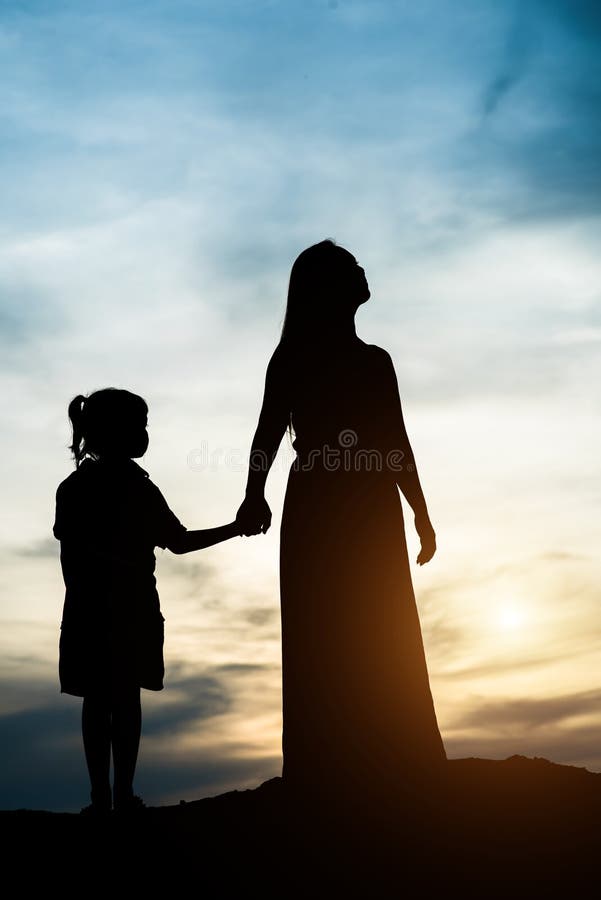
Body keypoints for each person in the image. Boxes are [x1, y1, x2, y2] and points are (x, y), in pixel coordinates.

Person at [236, 240, 446, 807]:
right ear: (328, 288)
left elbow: (396, 442)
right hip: (323, 503)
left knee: (379, 623)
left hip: (367, 504)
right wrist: (252, 495)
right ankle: (329, 765)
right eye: (351, 267)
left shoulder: (376, 361)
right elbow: (267, 433)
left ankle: (390, 754)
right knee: (324, 627)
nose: (362, 270)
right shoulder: (294, 359)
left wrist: (421, 514)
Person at [54, 388, 241, 814]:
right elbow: (180, 542)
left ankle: (104, 797)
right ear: (117, 432)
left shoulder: (76, 487)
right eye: (139, 425)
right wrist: (235, 528)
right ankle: (120, 796)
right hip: (129, 612)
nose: (144, 434)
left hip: (89, 612)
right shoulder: (138, 490)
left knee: (99, 703)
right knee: (123, 701)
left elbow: (72, 559)